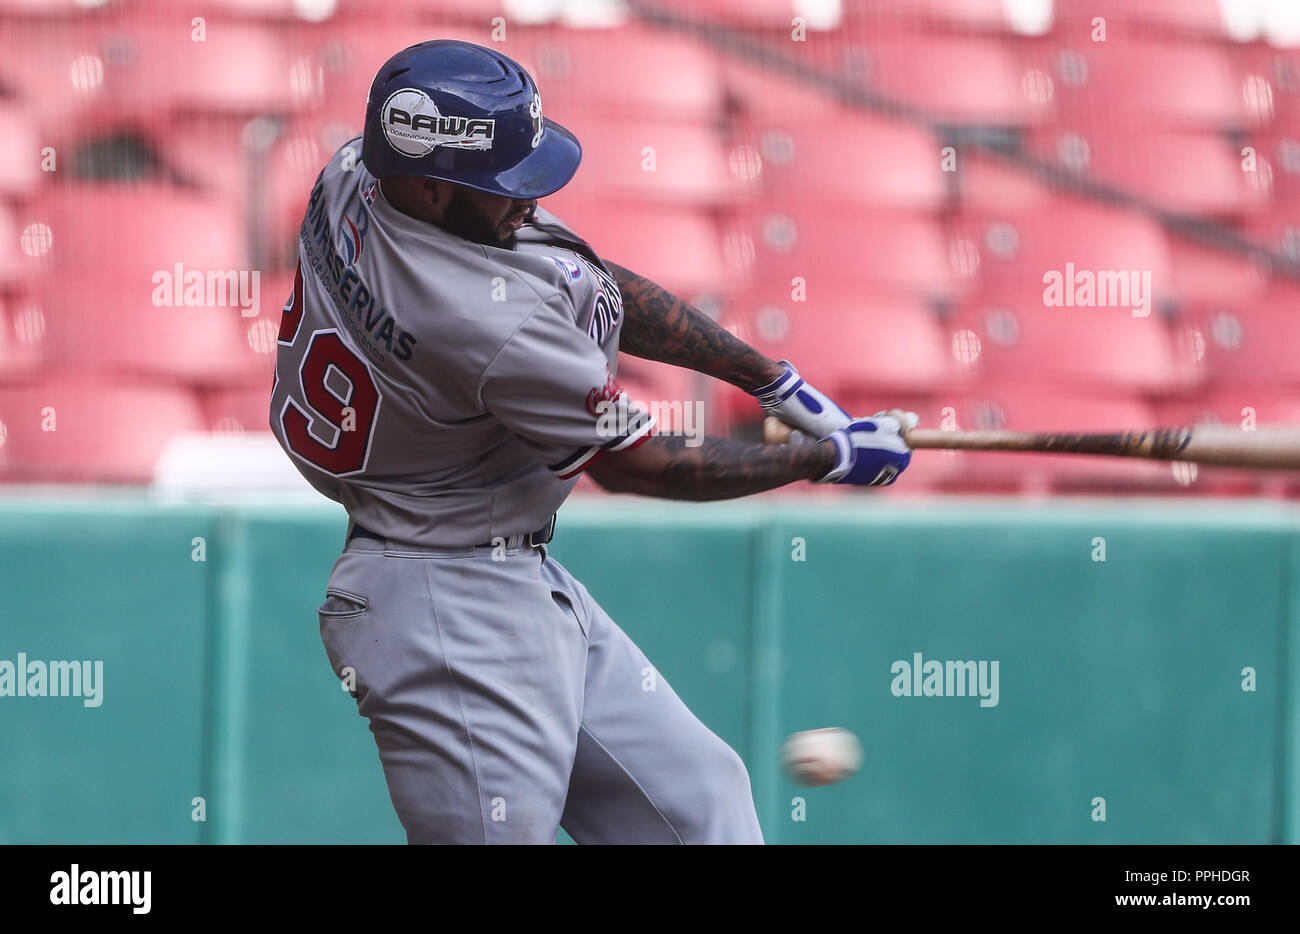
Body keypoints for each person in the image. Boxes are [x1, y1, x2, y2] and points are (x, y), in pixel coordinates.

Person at [269, 39, 914, 844]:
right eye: (502, 187)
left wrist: (771, 380)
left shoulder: (353, 175)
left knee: (703, 803)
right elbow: (641, 462)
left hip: (497, 565)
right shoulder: (484, 321)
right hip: (442, 601)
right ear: (431, 189)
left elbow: (588, 280)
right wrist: (827, 458)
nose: (526, 202)